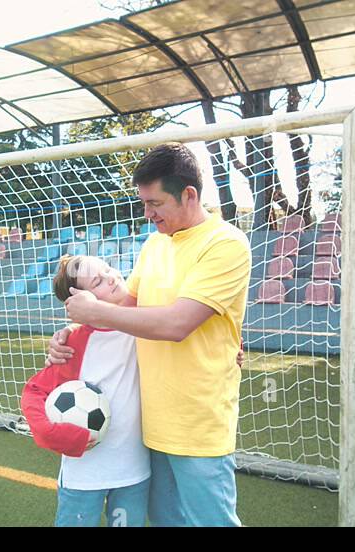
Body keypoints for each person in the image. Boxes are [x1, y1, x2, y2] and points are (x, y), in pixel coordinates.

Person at [51, 142, 252, 527]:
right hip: (151, 426)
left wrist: (97, 310)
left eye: (155, 203)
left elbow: (176, 325)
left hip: (198, 426)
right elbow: (127, 307)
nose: (148, 213)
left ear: (189, 195)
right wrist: (70, 334)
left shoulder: (226, 244)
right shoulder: (157, 242)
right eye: (143, 202)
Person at [21, 255, 150, 527]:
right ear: (80, 299)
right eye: (98, 281)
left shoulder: (146, 320)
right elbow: (34, 391)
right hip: (84, 475)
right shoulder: (74, 343)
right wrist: (54, 434)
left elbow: (186, 327)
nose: (112, 277)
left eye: (108, 269)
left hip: (133, 471)